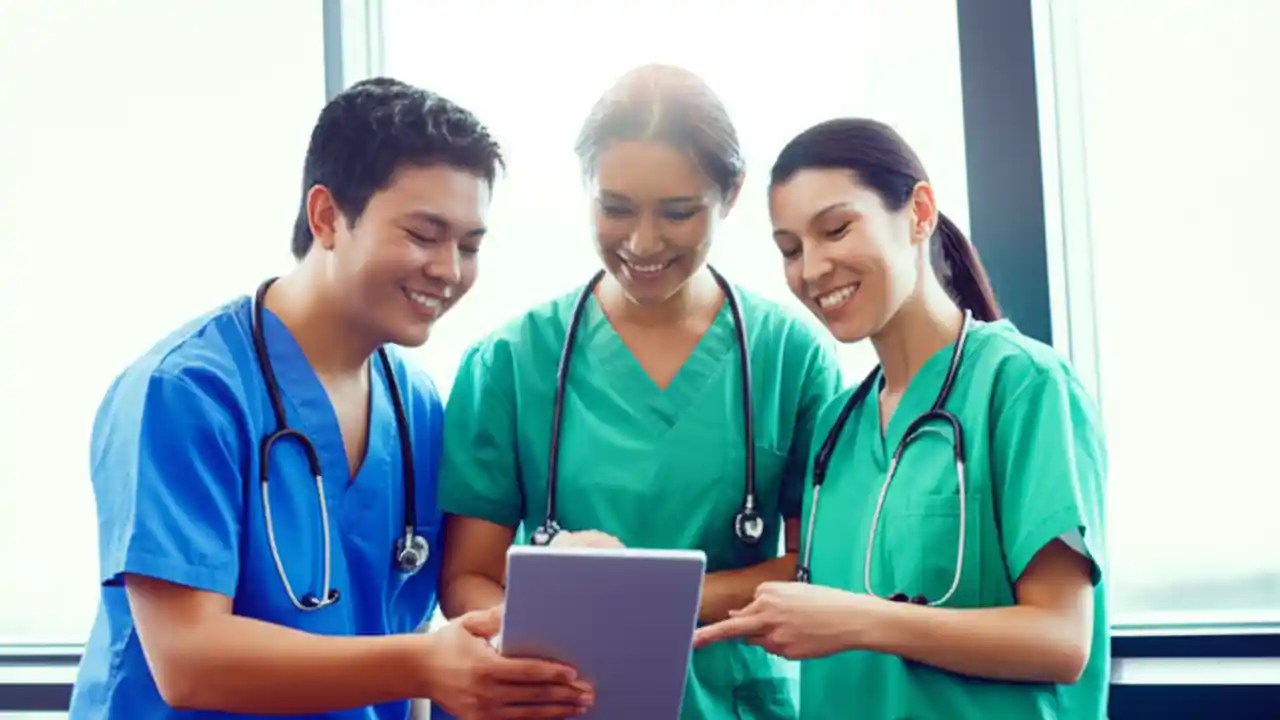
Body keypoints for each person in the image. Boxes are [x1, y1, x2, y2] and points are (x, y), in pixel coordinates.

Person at [69, 77, 593, 720]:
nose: (450, 270)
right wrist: (424, 665)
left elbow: (412, 619)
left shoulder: (416, 405)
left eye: (470, 245)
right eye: (424, 235)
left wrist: (567, 585)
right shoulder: (186, 393)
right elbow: (188, 659)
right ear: (327, 217)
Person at [437, 64, 844, 719]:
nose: (643, 242)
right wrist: (559, 623)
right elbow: (465, 578)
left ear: (731, 194)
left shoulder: (790, 358)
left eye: (678, 212)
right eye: (616, 208)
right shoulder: (512, 361)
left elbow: (813, 566)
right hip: (561, 699)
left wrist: (641, 600)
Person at [693, 117, 1110, 719]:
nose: (811, 270)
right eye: (790, 250)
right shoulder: (838, 428)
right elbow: (807, 601)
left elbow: (1061, 641)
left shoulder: (1022, 386)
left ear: (919, 212)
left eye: (835, 229)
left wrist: (857, 620)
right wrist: (630, 582)